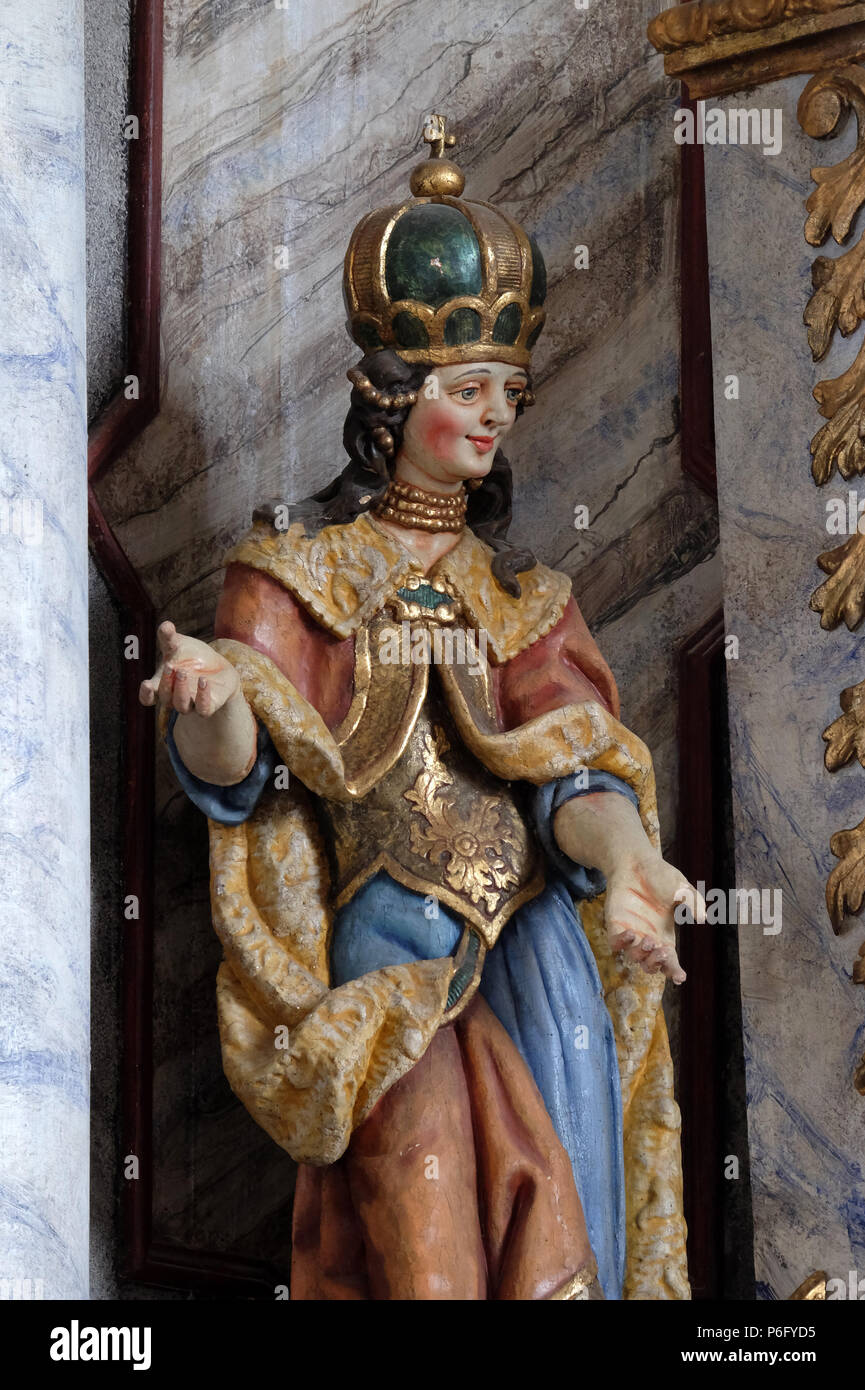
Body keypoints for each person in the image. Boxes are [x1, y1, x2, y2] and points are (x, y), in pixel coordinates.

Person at [140, 117, 696, 1301]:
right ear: (390, 396)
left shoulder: (525, 597)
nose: (495, 417)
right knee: (422, 1206)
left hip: (534, 941)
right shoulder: (296, 573)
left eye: (509, 391)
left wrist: (633, 853)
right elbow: (246, 773)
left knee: (572, 1193)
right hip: (389, 950)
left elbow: (573, 777)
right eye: (468, 388)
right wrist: (208, 699)